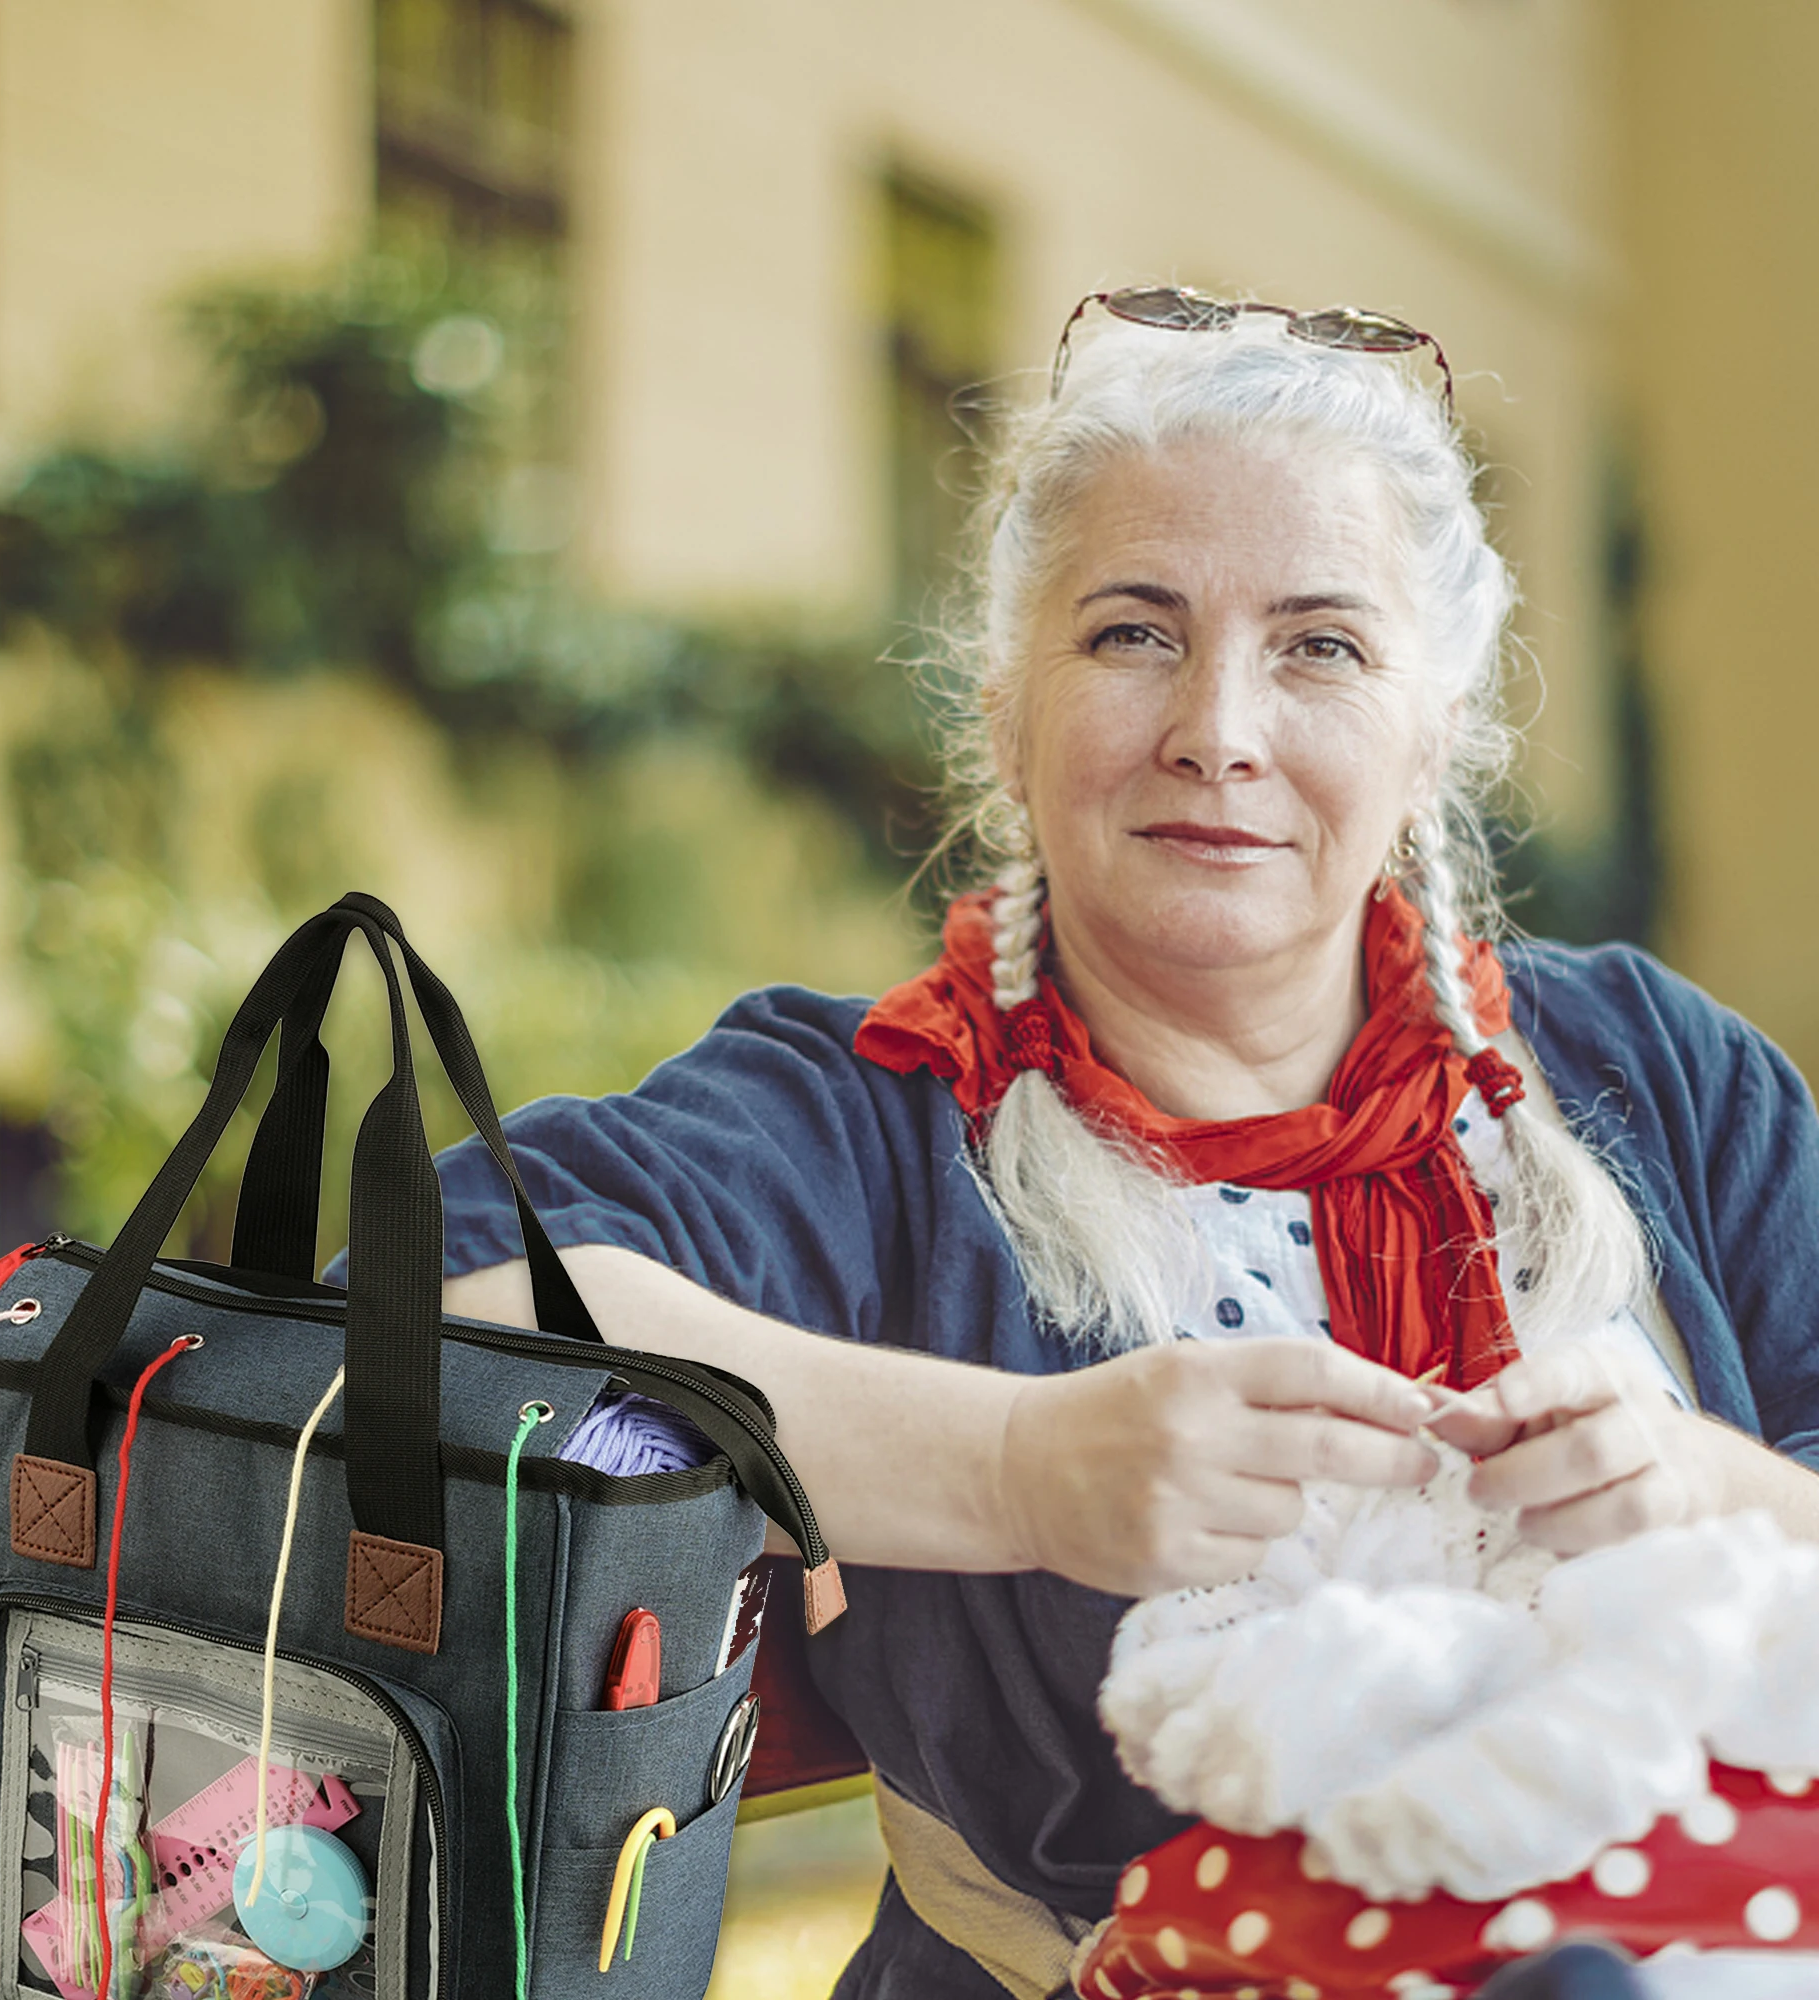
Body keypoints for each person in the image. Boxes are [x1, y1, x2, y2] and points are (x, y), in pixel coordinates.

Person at [436, 288, 1819, 1998]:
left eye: (1320, 644)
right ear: (1009, 713)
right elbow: (452, 1309)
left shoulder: (1655, 1068)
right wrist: (1019, 1471)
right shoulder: (869, 1113)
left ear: (1432, 732)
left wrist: (1713, 1493)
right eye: (1134, 634)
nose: (1218, 730)